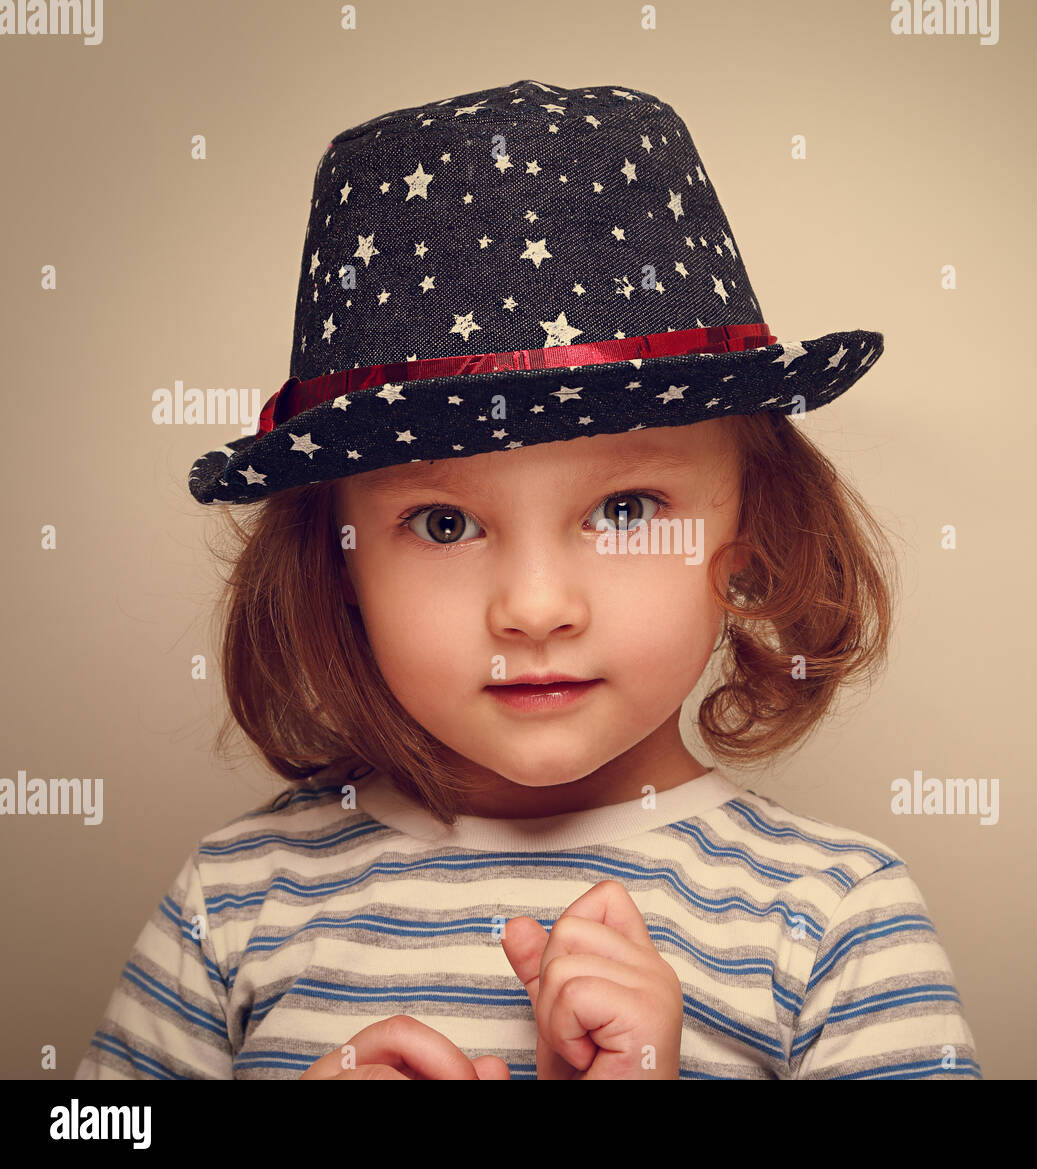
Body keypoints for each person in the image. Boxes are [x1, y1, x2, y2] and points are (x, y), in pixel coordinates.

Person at [75, 78, 980, 1080]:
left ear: (752, 535)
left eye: (625, 509)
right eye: (444, 521)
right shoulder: (233, 903)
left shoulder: (832, 924)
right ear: (333, 562)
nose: (536, 608)